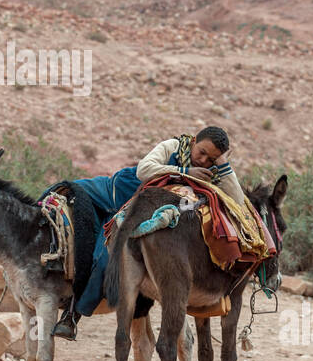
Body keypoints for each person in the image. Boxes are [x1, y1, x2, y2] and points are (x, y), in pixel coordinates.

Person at [50, 126, 245, 340]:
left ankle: (73, 313)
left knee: (104, 255)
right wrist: (185, 172)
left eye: (212, 159)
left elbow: (237, 201)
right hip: (114, 192)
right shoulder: (173, 147)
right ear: (194, 140)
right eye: (202, 152)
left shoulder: (213, 172)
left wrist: (223, 165)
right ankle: (65, 303)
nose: (204, 160)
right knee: (63, 192)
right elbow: (144, 169)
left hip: (134, 210)